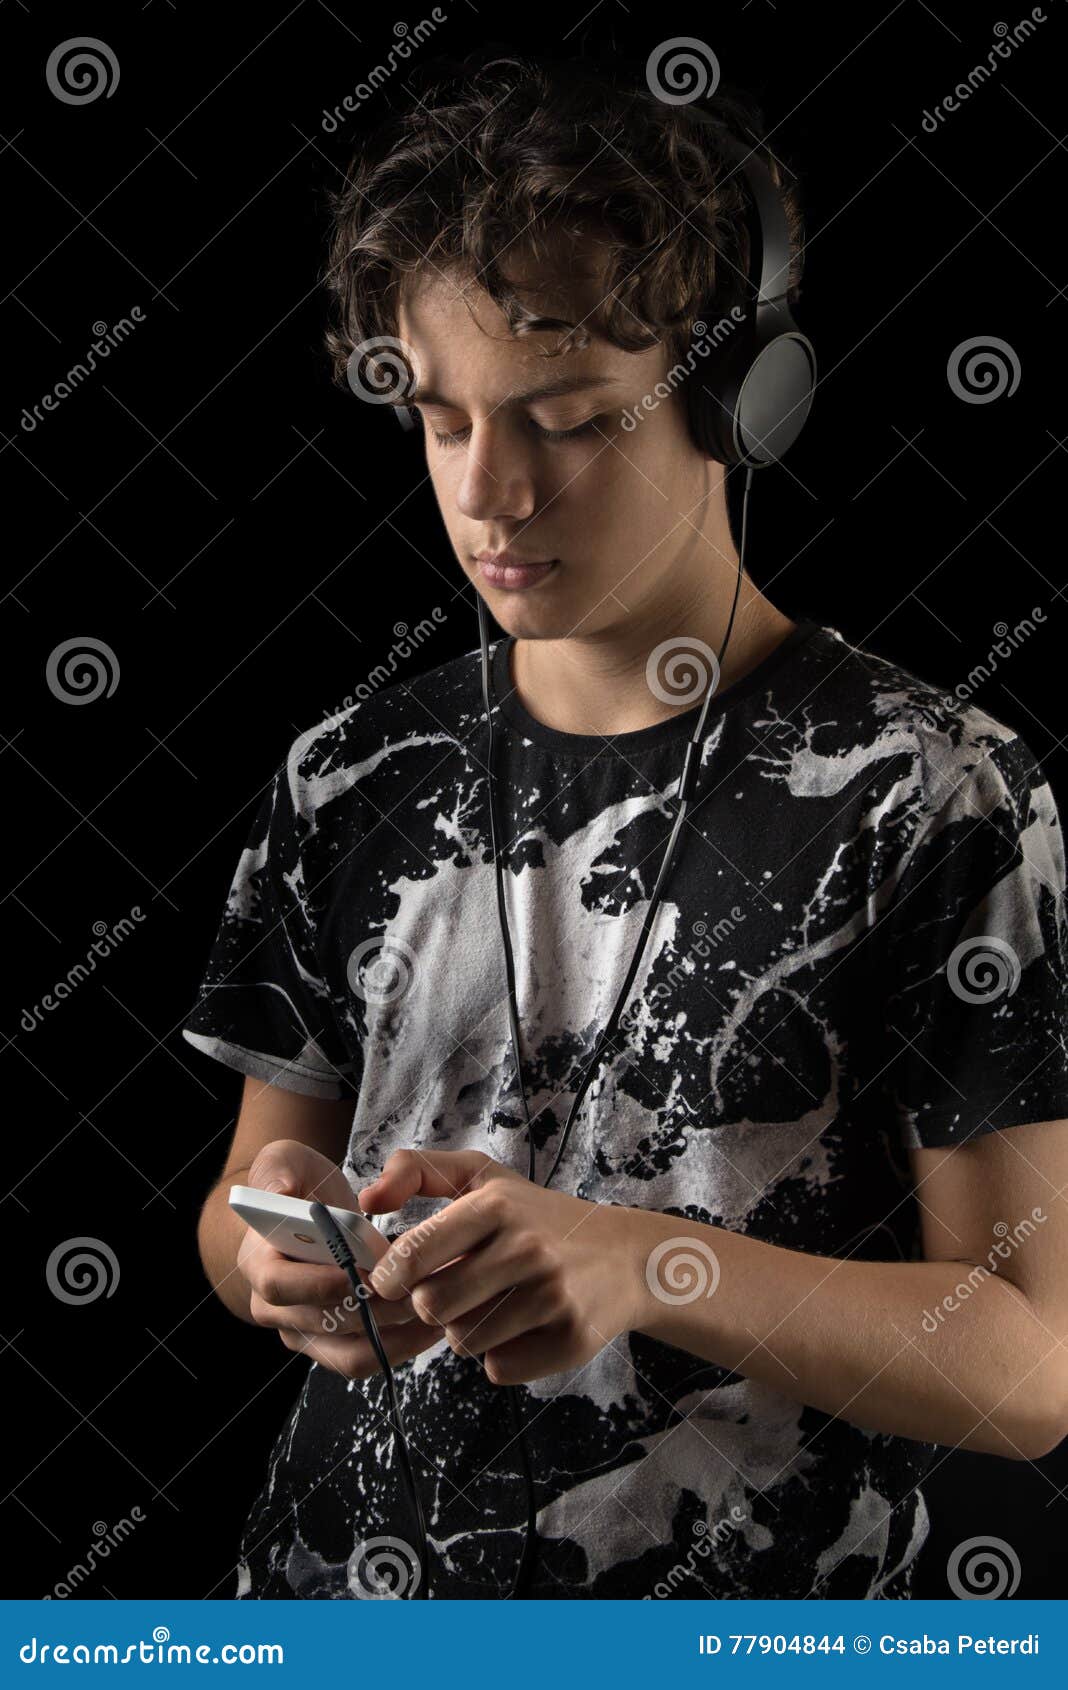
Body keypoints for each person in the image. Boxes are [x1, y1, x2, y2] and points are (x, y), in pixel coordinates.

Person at [183, 51, 1068, 1600]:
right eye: (443, 421)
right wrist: (279, 1262)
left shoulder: (938, 791)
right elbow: (246, 1196)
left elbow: (1032, 1358)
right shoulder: (346, 770)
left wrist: (641, 1261)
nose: (490, 494)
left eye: (568, 420)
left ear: (740, 400)